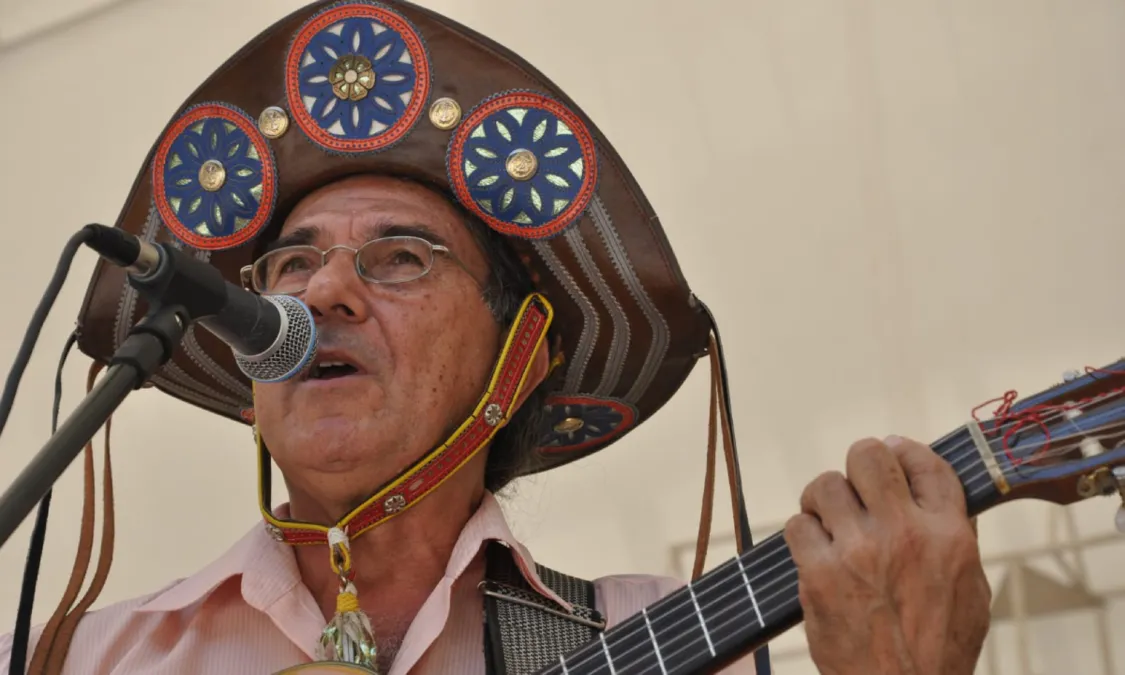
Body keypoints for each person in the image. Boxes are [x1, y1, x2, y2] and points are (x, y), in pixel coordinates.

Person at [0, 1, 992, 674]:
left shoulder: (677, 639)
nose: (326, 290)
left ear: (523, 359)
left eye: (401, 258)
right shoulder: (88, 657)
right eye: (290, 265)